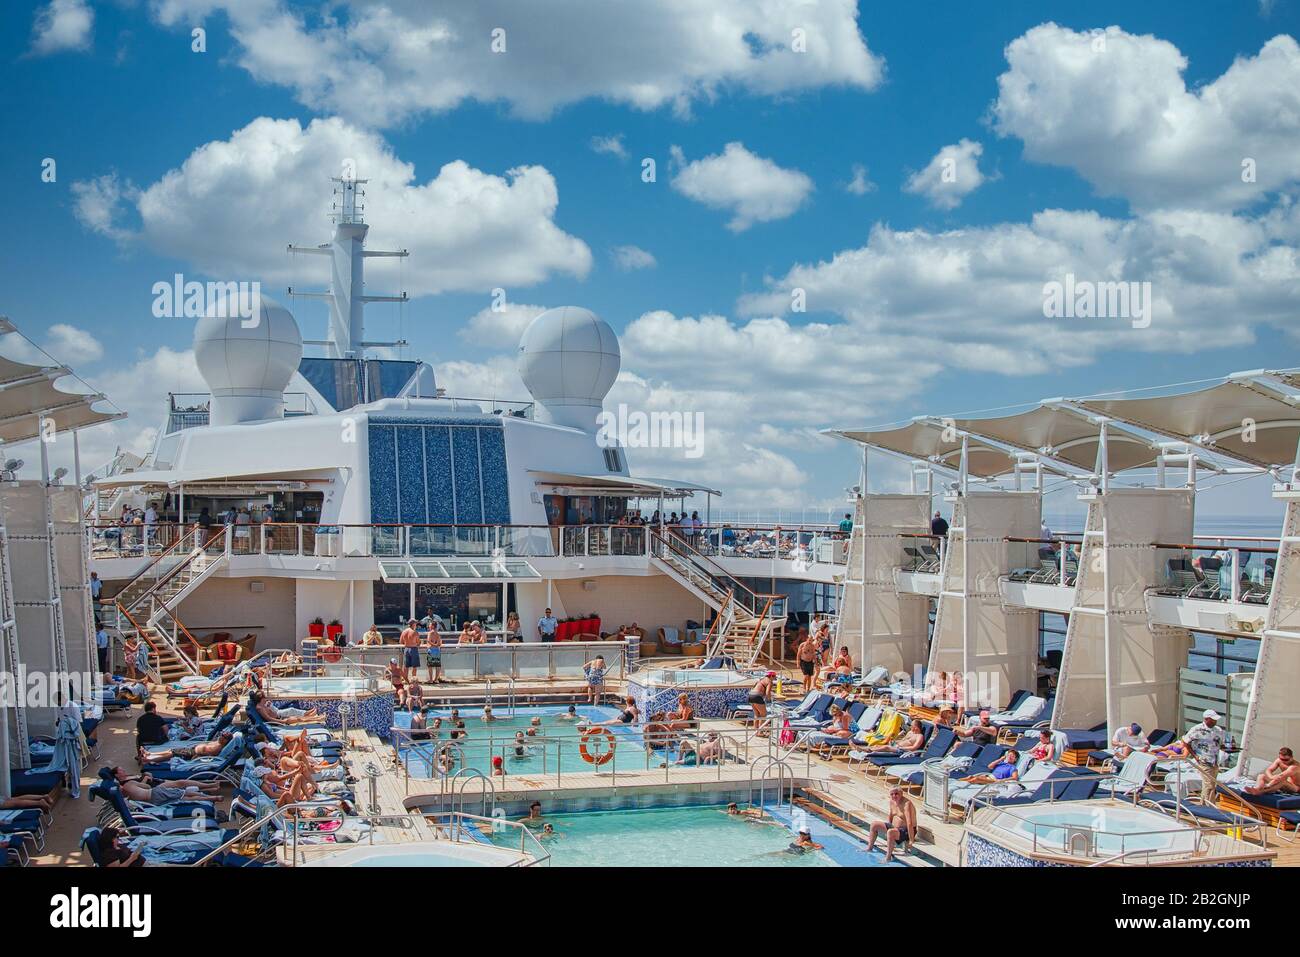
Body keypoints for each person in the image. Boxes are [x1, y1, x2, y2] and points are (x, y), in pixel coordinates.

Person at [1182, 709, 1229, 804]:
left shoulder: (1218, 730)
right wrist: (1195, 756)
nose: (1215, 721)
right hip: (1203, 760)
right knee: (1209, 785)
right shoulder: (1197, 729)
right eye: (1213, 720)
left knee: (1211, 784)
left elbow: (1222, 744)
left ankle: (1202, 806)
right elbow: (1185, 741)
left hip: (1215, 761)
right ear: (1206, 719)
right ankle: (1210, 808)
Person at [867, 787, 917, 863]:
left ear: (901, 793)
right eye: (892, 794)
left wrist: (911, 840)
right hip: (895, 828)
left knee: (890, 832)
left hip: (907, 830)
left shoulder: (907, 804)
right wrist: (888, 827)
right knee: (874, 825)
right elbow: (891, 815)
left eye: (896, 793)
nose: (894, 796)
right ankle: (869, 848)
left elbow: (909, 823)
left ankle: (888, 857)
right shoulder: (892, 801)